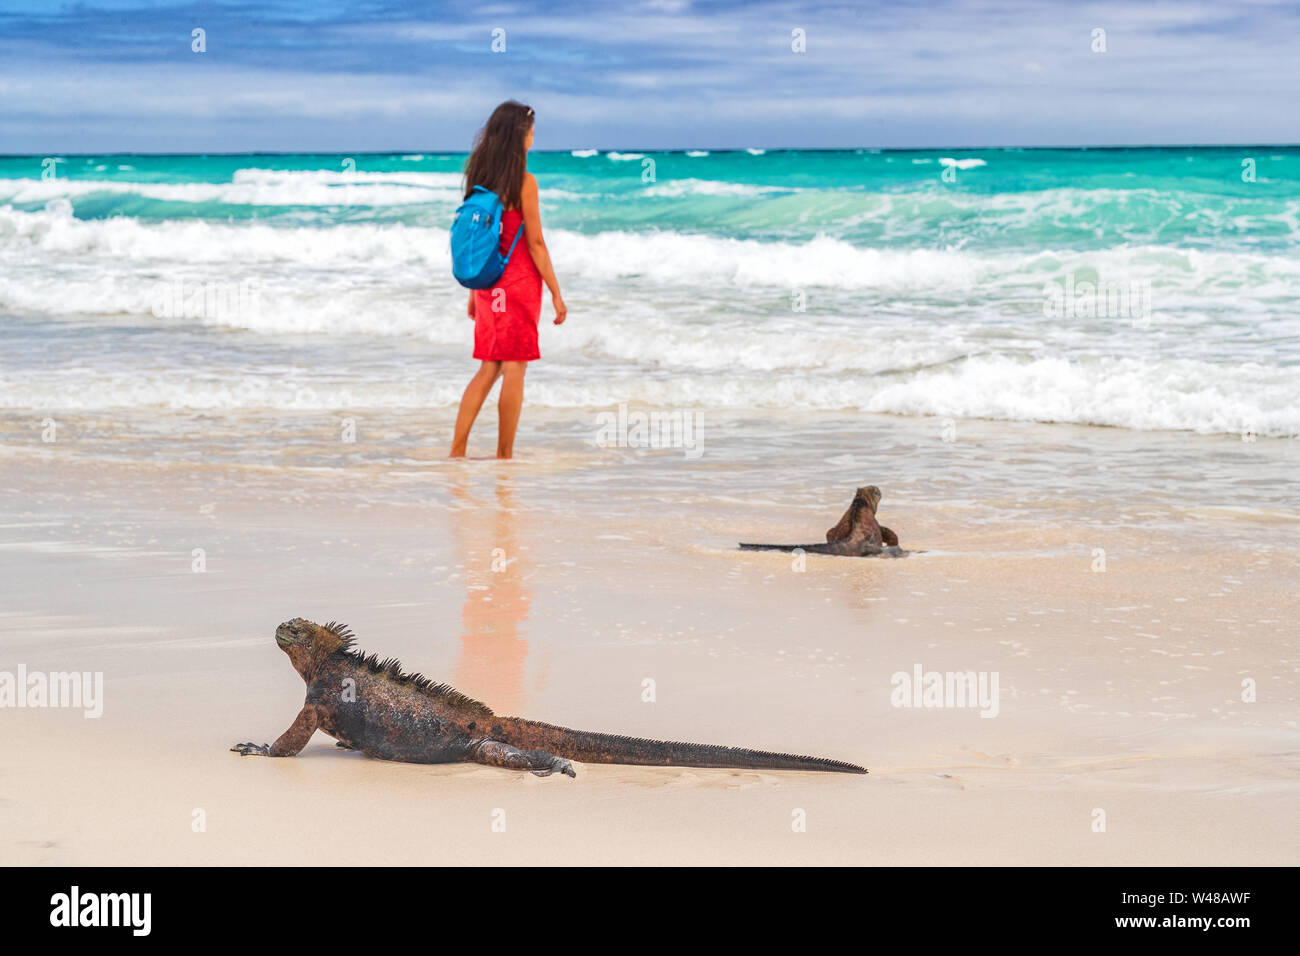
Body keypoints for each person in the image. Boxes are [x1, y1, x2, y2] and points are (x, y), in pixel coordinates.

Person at [449, 101, 566, 459]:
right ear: (520, 135)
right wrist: (556, 294)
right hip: (517, 286)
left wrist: (475, 291)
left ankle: (457, 451)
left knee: (488, 368)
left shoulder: (480, 175)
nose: (534, 136)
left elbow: (480, 240)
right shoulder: (524, 183)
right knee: (514, 367)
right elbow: (535, 243)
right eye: (531, 130)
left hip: (487, 284)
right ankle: (504, 456)